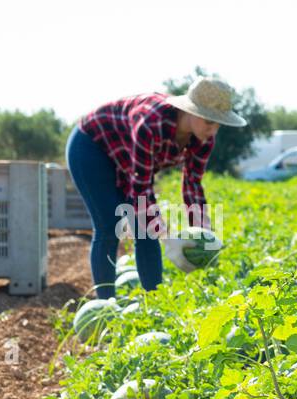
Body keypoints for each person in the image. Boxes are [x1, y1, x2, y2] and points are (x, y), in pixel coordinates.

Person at [67, 77, 245, 298]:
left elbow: (192, 185)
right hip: (92, 146)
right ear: (191, 111)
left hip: (125, 158)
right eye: (210, 122)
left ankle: (155, 303)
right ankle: (106, 305)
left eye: (219, 124)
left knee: (144, 230)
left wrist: (203, 235)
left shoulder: (204, 138)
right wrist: (169, 239)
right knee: (110, 225)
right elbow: (141, 191)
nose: (213, 130)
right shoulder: (151, 124)